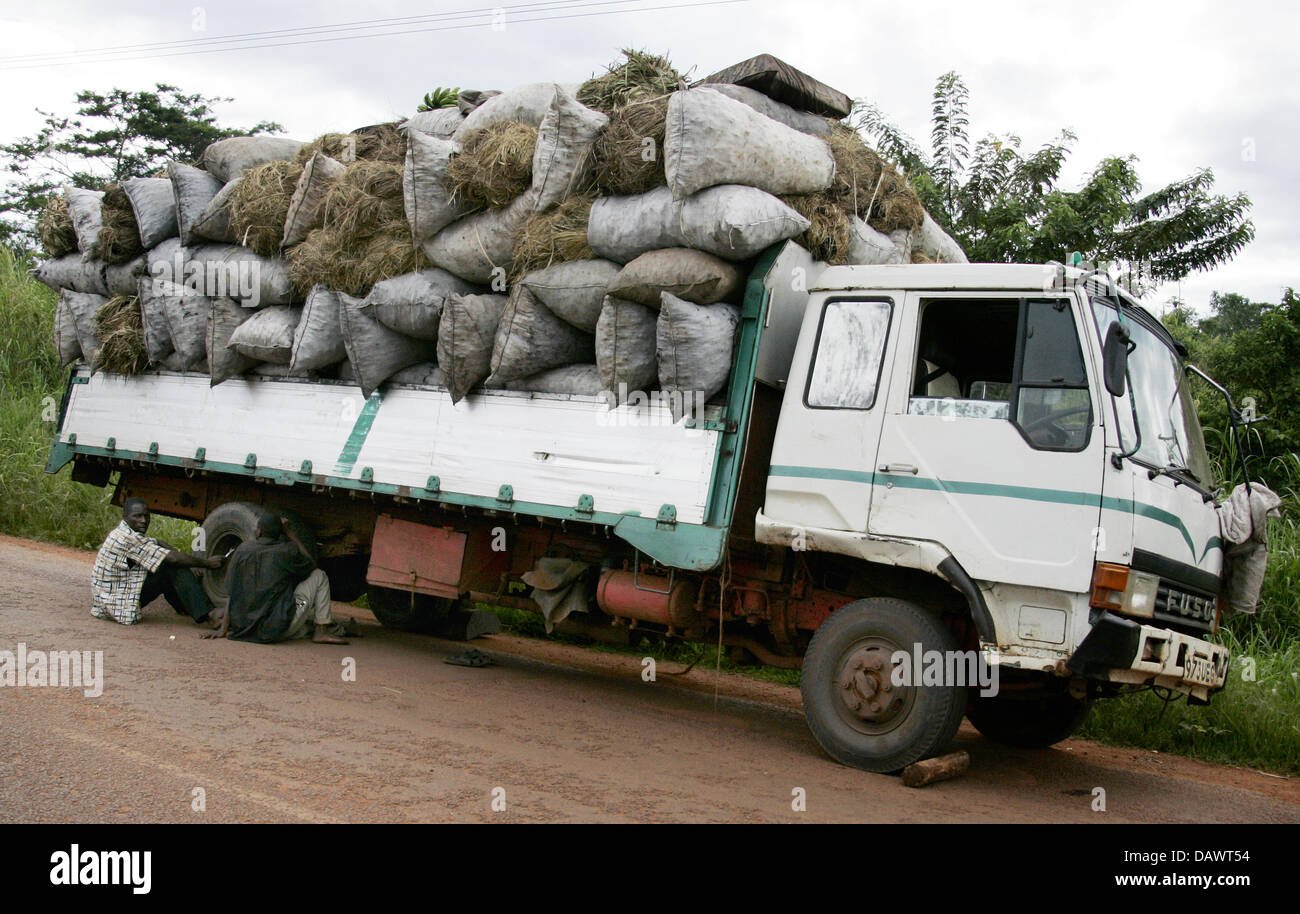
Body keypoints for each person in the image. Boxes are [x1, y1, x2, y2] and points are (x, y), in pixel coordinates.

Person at [205, 512, 349, 644]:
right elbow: (311, 564)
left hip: (243, 630)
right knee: (319, 575)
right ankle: (320, 631)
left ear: (259, 531)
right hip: (274, 631)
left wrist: (223, 630)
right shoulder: (286, 550)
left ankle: (309, 630)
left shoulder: (242, 550)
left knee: (297, 623)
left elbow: (232, 592)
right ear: (280, 533)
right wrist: (291, 534)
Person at [91, 497, 223, 626]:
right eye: (137, 516)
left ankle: (186, 607)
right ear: (125, 517)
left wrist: (190, 565)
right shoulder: (127, 539)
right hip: (117, 607)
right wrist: (208, 563)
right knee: (169, 566)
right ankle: (209, 615)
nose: (143, 521)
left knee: (163, 563)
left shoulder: (123, 532)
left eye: (146, 516)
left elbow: (159, 543)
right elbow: (173, 559)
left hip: (105, 603)